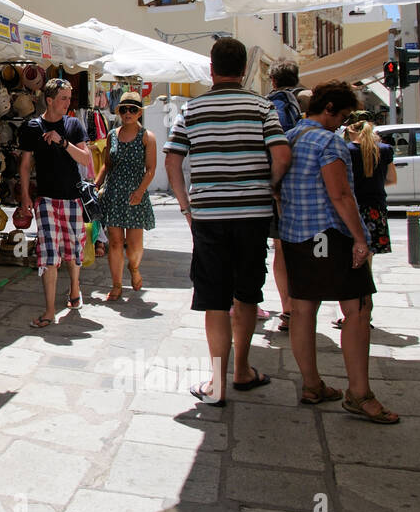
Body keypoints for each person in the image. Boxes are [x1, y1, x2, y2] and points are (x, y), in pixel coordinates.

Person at [165, 38, 290, 405]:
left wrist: (187, 208)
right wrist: (269, 186)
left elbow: (173, 162)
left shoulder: (191, 110)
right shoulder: (262, 107)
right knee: (247, 292)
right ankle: (243, 370)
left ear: (211, 67)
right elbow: (281, 154)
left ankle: (216, 383)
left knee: (214, 298)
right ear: (243, 70)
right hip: (253, 214)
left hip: (208, 216)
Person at [279, 81, 398, 424]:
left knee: (302, 311)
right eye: (342, 116)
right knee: (358, 309)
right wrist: (360, 238)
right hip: (331, 234)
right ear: (328, 108)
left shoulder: (289, 138)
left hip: (294, 235)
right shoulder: (328, 142)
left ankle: (312, 385)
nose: (343, 124)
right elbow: (341, 195)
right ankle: (360, 394)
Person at [17, 78, 95, 328]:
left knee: (73, 252)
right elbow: (26, 164)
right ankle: (50, 311)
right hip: (46, 199)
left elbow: (85, 159)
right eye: (63, 98)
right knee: (48, 253)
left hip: (72, 198)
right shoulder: (32, 127)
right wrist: (25, 195)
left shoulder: (73, 125)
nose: (67, 103)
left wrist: (63, 142)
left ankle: (74, 288)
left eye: (69, 98)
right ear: (49, 100)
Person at [333, 111, 397, 329]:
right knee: (367, 263)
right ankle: (366, 312)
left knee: (350, 263)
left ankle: (353, 313)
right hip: (376, 210)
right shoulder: (385, 150)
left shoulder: (346, 151)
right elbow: (392, 179)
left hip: (352, 210)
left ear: (349, 129)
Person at [94, 91, 156, 300]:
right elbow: (107, 164)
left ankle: (135, 268)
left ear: (139, 112)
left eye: (133, 109)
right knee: (115, 242)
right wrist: (96, 184)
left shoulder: (147, 137)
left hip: (135, 194)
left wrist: (140, 192)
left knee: (135, 243)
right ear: (118, 111)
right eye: (124, 109)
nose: (128, 113)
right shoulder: (112, 135)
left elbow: (150, 169)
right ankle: (117, 284)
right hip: (114, 193)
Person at [267, 62, 302, 333]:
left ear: (273, 80)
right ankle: (301, 306)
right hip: (302, 184)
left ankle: (288, 308)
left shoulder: (269, 106)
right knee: (298, 248)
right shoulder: (304, 102)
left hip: (275, 185)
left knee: (280, 248)